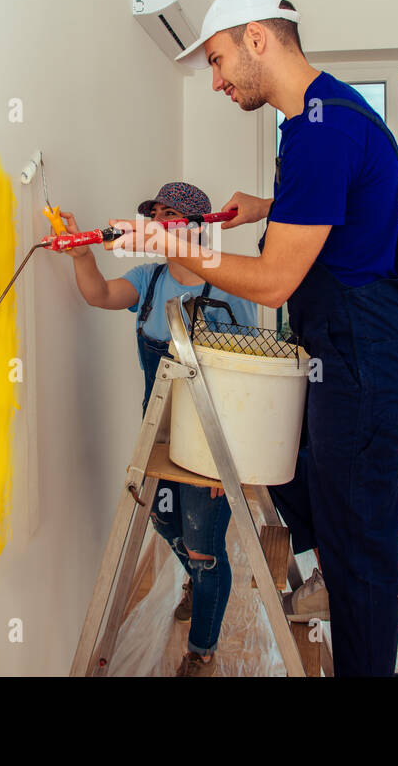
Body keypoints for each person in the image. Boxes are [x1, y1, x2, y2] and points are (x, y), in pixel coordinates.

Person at [106, 0, 398, 677]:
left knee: (361, 538)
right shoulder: (325, 113)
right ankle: (326, 573)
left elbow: (275, 281)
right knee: (300, 470)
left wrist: (179, 249)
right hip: (347, 340)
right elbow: (348, 200)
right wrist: (266, 207)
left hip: (361, 349)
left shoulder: (319, 133)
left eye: (218, 61)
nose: (216, 81)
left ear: (258, 39)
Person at [59, 181, 258, 677]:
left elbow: (248, 378)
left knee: (204, 547)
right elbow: (101, 294)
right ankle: (196, 578)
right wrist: (82, 252)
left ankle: (201, 651)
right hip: (161, 442)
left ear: (194, 228)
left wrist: (230, 460)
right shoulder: (148, 281)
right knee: (163, 521)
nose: (155, 223)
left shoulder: (227, 291)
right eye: (154, 214)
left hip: (210, 447)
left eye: (168, 215)